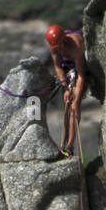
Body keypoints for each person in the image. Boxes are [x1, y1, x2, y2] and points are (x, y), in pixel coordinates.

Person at [45, 23, 86, 157]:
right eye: (56, 48)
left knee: (74, 106)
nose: (59, 49)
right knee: (67, 103)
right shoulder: (54, 46)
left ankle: (69, 146)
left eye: (60, 46)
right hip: (67, 67)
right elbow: (58, 67)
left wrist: (76, 100)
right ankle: (64, 143)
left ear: (64, 40)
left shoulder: (76, 45)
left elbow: (81, 76)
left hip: (79, 66)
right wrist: (64, 86)